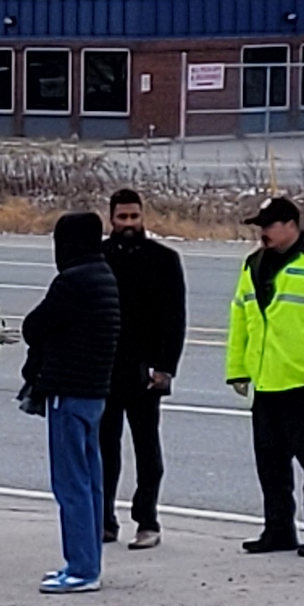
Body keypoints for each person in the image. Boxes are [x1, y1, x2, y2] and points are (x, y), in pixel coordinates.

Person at [223, 195, 304, 557]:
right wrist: (237, 368)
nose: (262, 232)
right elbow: (241, 318)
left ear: (291, 226)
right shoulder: (253, 265)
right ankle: (278, 530)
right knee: (271, 466)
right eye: (260, 226)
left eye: (268, 226)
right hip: (267, 383)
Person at [16, 209, 122, 593]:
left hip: (68, 390)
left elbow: (34, 325)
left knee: (70, 482)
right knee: (92, 480)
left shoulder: (72, 282)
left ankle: (80, 568)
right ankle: (87, 561)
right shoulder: (104, 276)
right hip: (95, 390)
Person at [97, 187, 185, 550]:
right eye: (123, 217)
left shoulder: (163, 259)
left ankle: (147, 520)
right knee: (104, 450)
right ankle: (103, 520)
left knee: (148, 450)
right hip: (105, 370)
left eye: (135, 217)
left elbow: (174, 318)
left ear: (142, 217)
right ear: (112, 219)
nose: (129, 223)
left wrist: (165, 367)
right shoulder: (98, 258)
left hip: (146, 371)